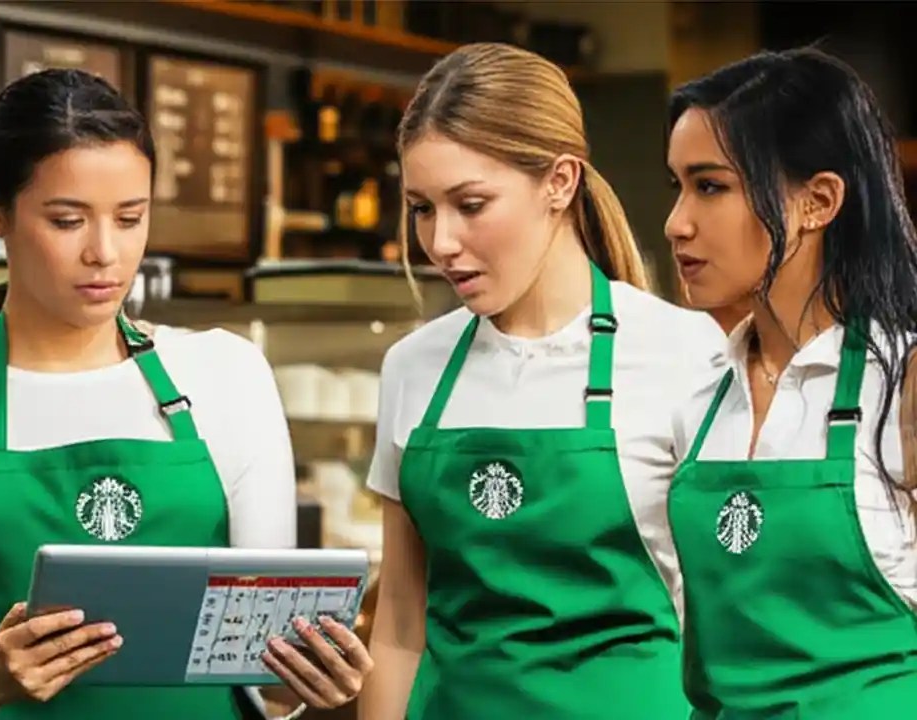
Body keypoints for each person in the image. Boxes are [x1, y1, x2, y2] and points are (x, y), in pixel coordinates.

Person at [0, 68, 373, 720]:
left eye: (131, 218)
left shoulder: (229, 374)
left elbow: (258, 674)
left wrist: (299, 681)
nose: (105, 254)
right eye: (67, 220)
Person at [357, 42, 727, 720]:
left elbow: (727, 617)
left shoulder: (687, 354)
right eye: (421, 208)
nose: (440, 241)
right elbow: (401, 629)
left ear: (559, 181)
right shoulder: (413, 367)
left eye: (471, 204)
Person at [665, 47, 917, 717]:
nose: (676, 222)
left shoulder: (905, 386)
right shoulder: (700, 397)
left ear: (818, 201)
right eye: (677, 186)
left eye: (710, 186)